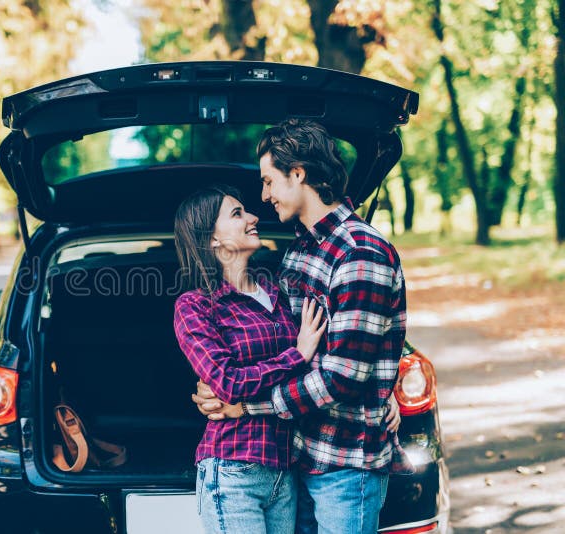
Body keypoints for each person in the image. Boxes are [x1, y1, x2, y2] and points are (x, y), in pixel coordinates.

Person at [193, 119, 411, 534]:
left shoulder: (360, 253)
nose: (264, 195)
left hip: (346, 465)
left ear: (298, 173)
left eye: (269, 181)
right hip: (296, 457)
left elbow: (343, 378)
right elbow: (288, 348)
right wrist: (220, 384)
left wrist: (243, 406)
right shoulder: (298, 254)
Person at [173, 184, 327, 534]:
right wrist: (297, 355)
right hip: (233, 469)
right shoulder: (195, 306)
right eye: (237, 213)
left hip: (286, 468)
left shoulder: (279, 291)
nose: (254, 217)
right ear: (211, 239)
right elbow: (227, 383)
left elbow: (334, 354)